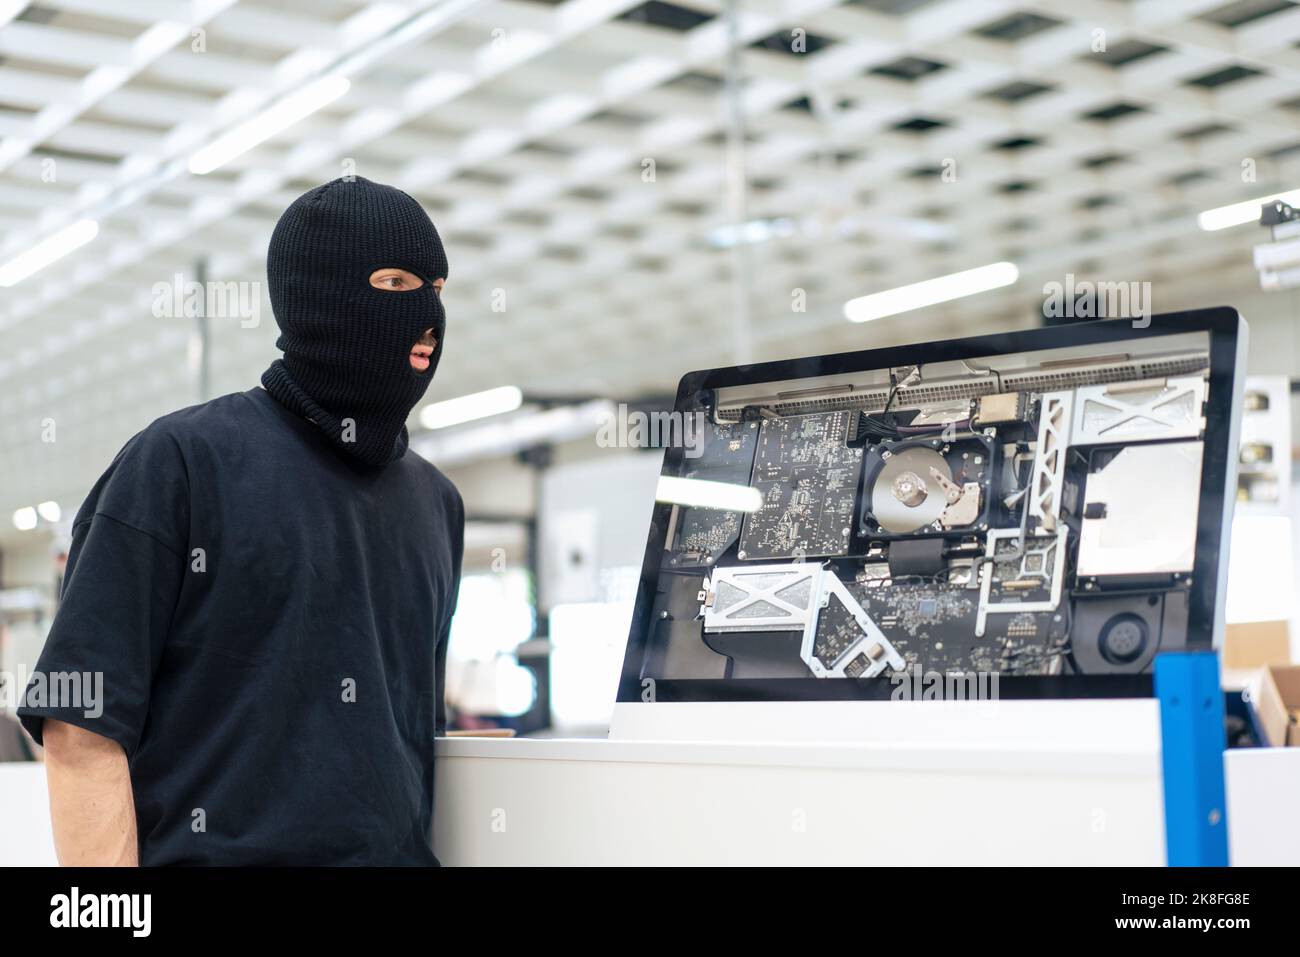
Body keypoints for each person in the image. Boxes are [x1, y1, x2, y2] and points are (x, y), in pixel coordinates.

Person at [18, 177, 464, 866]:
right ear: (320, 293)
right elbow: (80, 728)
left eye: (439, 286)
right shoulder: (179, 465)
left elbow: (411, 740)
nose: (429, 313)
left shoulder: (435, 502)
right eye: (398, 281)